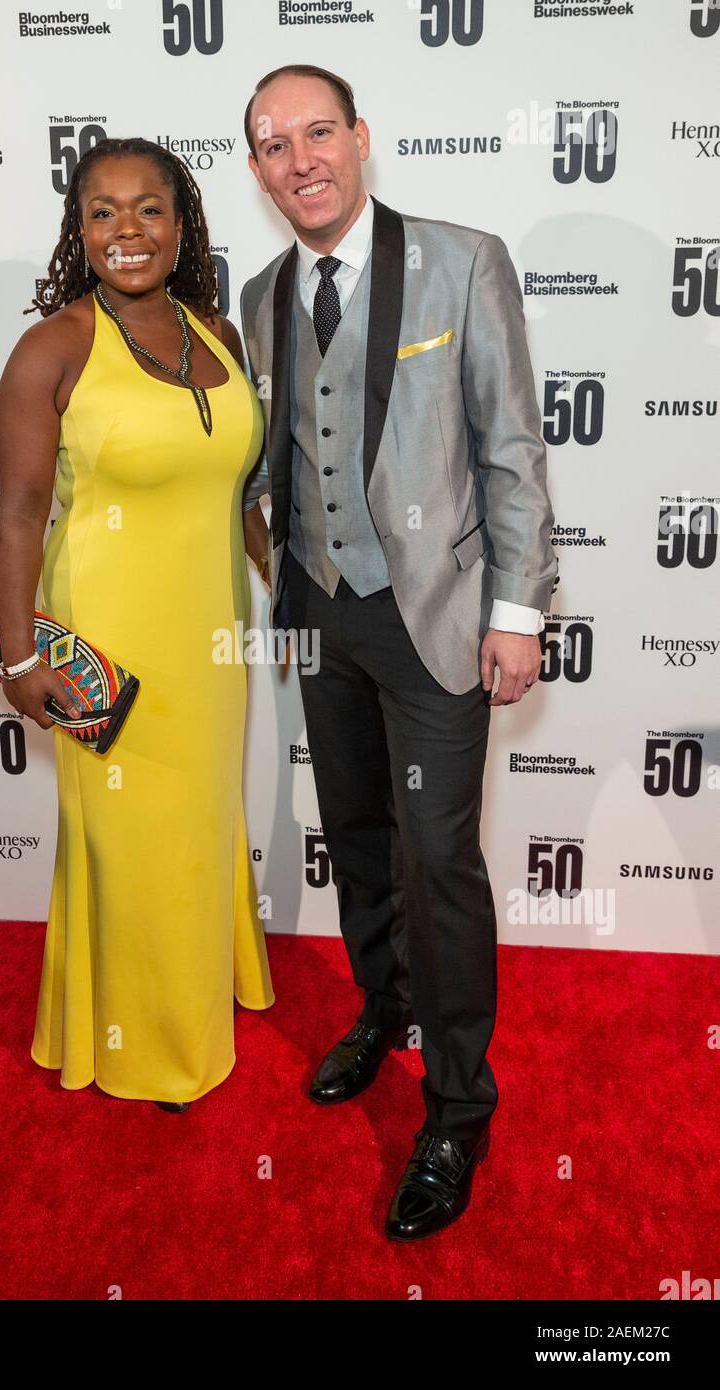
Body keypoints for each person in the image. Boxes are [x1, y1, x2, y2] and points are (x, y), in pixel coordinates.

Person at [239, 66, 558, 1237]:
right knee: (356, 837)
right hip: (325, 614)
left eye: (317, 132)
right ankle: (383, 1010)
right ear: (259, 167)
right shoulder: (265, 293)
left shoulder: (459, 259)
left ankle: (457, 1110)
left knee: (439, 860)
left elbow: (509, 445)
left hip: (435, 614)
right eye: (273, 144)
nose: (299, 159)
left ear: (359, 137)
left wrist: (516, 610)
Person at [0, 137, 274, 1112]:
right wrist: (20, 653)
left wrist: (285, 572)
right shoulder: (54, 348)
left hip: (209, 636)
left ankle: (196, 993)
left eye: (148, 208)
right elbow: (20, 511)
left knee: (197, 825)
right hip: (110, 641)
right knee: (131, 840)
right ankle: (146, 1045)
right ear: (79, 231)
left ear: (181, 224)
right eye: (102, 212)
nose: (126, 230)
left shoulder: (218, 336)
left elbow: (233, 490)